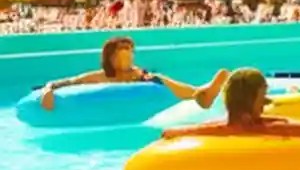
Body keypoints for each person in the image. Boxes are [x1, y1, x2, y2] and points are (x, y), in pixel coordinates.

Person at [163, 68, 300, 170]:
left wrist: (174, 132)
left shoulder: (223, 126)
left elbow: (191, 130)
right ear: (253, 99)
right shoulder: (265, 128)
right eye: (262, 96)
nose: (264, 103)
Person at [39, 36, 229, 111]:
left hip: (145, 93)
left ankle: (202, 94)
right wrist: (48, 90)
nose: (129, 54)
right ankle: (200, 94)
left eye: (131, 51)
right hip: (110, 104)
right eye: (124, 51)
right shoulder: (99, 77)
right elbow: (66, 82)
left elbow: (158, 82)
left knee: (158, 79)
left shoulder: (138, 75)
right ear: (111, 57)